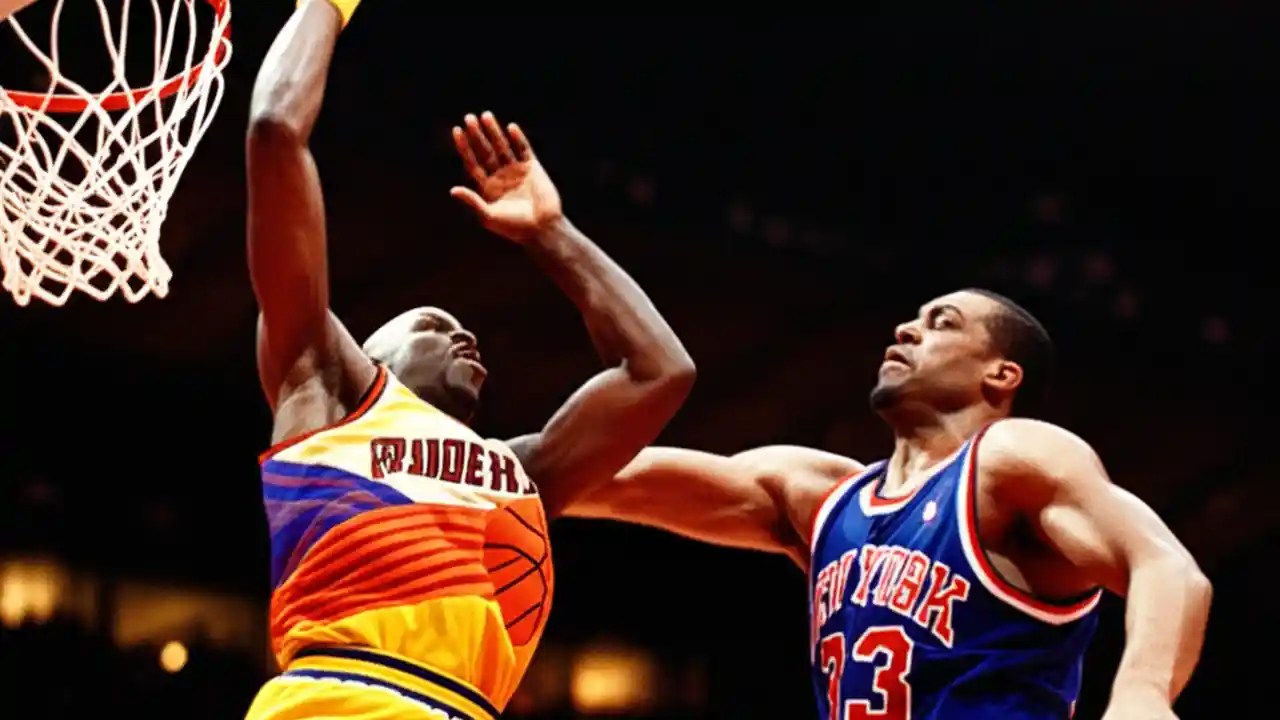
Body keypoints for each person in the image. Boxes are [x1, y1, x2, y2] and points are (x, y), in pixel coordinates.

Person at [242, 1, 695, 718]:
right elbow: (273, 133)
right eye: (433, 323)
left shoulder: (525, 473)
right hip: (338, 698)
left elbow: (662, 373)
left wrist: (552, 233)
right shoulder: (327, 386)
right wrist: (324, 9)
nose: (465, 336)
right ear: (370, 352)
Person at [566, 288, 1212, 720]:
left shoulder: (1013, 459)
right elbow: (604, 480)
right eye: (913, 319)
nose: (906, 328)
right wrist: (471, 459)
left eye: (943, 323)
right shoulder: (819, 493)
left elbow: (1167, 568)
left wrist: (1142, 694)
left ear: (1000, 375)